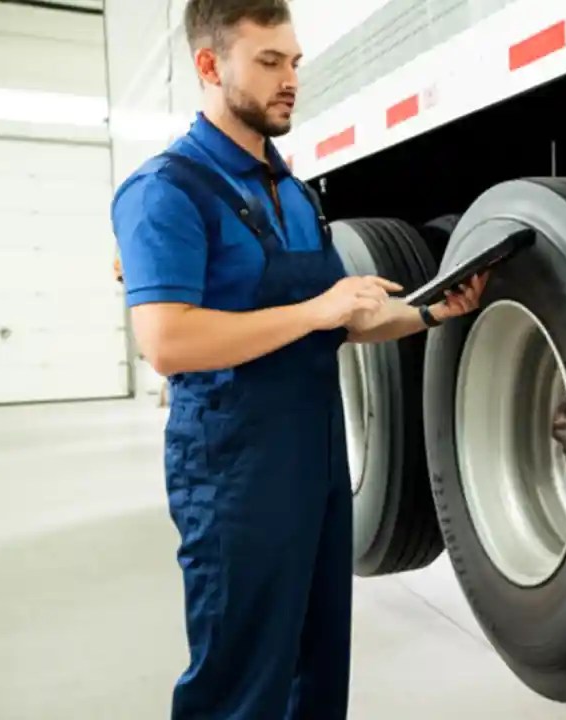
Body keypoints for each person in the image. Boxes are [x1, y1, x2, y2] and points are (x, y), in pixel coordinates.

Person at [110, 1, 487, 717]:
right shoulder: (166, 192)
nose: (290, 81)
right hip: (234, 478)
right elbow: (166, 342)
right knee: (240, 684)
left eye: (294, 63)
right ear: (209, 66)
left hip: (313, 467)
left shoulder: (289, 190)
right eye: (269, 62)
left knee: (315, 674)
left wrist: (434, 310)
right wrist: (320, 309)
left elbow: (335, 326)